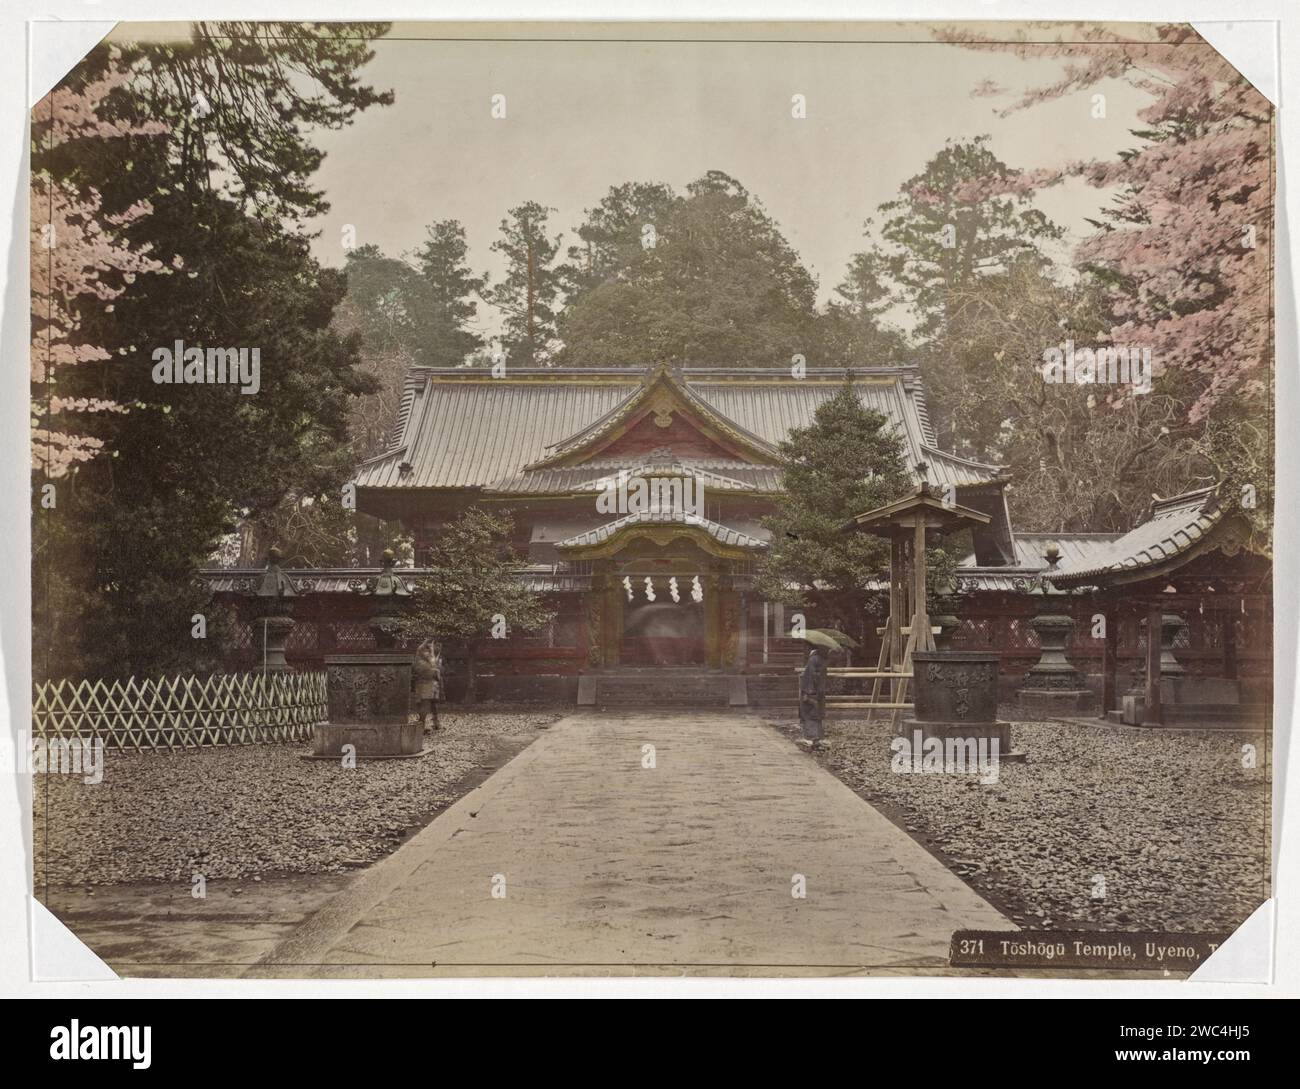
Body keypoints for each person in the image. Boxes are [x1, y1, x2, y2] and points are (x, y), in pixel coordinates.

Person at [798, 644, 826, 750]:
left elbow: (811, 676)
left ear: (810, 649)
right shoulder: (821, 659)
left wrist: (807, 692)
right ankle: (817, 738)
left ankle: (813, 739)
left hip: (812, 691)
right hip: (819, 691)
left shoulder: (813, 660)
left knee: (810, 714)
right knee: (816, 715)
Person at [412, 640, 443, 733]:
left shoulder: (428, 659)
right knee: (424, 705)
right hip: (425, 684)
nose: (428, 653)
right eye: (426, 651)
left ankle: (432, 723)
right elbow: (432, 670)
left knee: (430, 704)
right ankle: (421, 726)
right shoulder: (421, 660)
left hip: (430, 684)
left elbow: (436, 669)